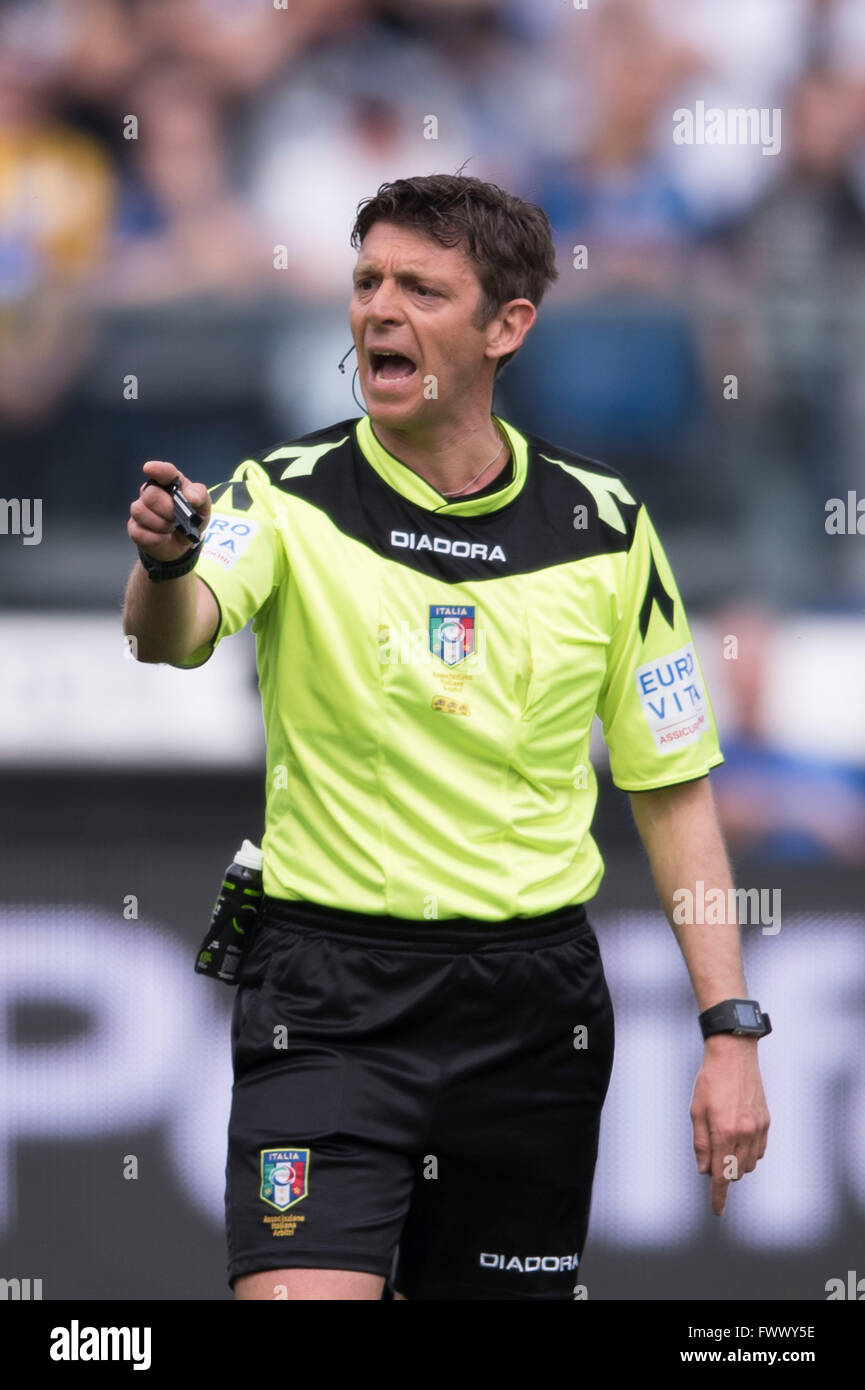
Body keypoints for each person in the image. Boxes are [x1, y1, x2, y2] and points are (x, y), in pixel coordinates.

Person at [122, 173, 770, 1302]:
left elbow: (670, 789)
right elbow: (168, 638)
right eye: (367, 281)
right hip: (326, 1000)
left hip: (533, 1014)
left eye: (420, 289)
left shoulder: (604, 526)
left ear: (505, 327)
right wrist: (168, 564)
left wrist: (729, 1029)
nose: (379, 308)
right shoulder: (281, 493)